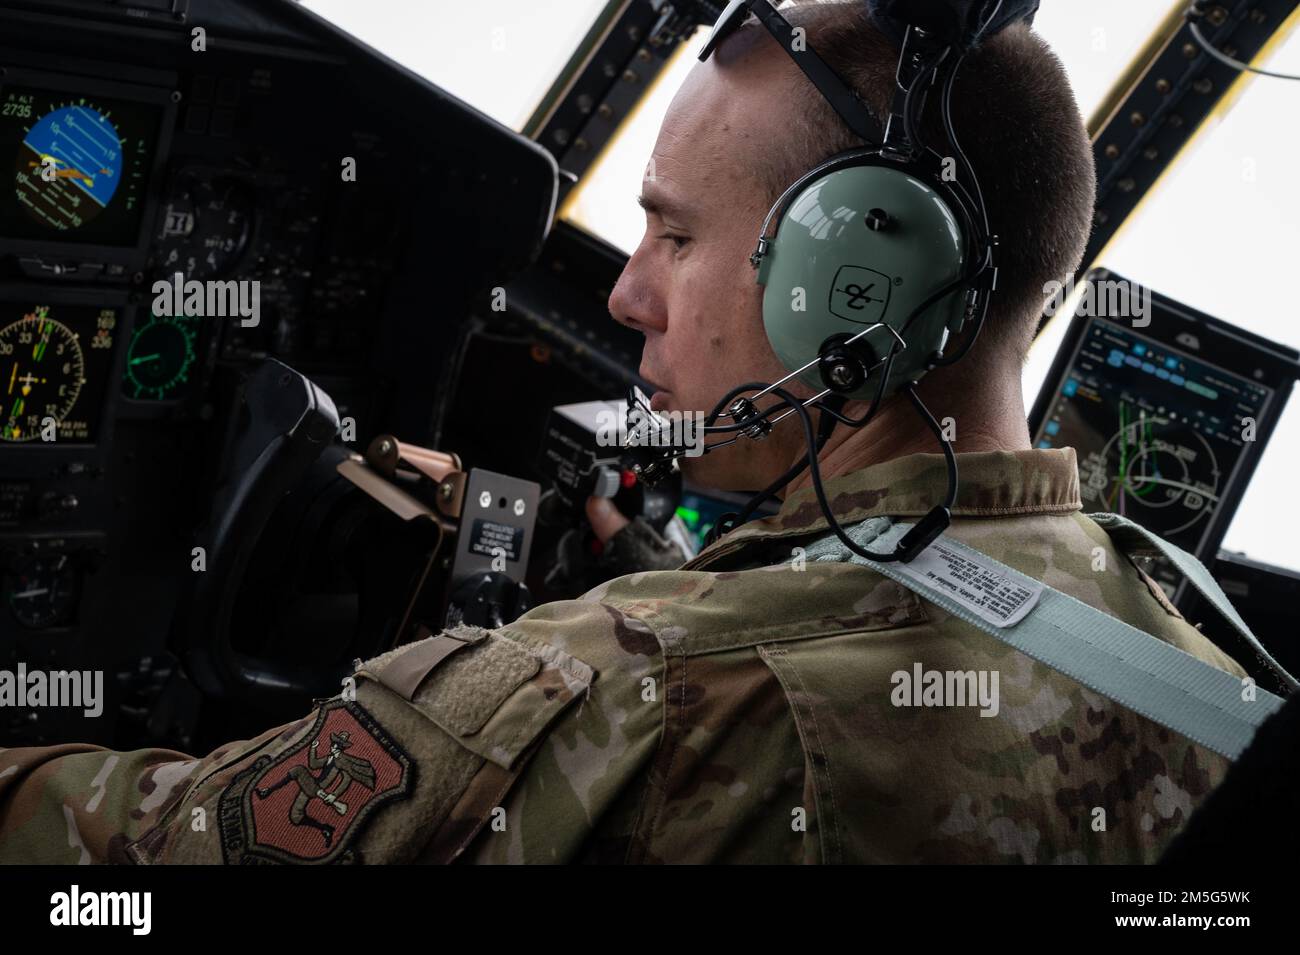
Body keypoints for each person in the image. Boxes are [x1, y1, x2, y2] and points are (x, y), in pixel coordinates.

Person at [0, 1, 1248, 864]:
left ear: (855, 286)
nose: (624, 293)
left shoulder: (649, 697)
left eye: (677, 235)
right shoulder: (1198, 661)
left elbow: (129, 856)